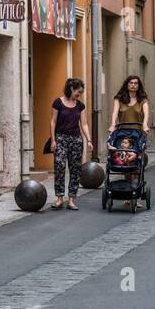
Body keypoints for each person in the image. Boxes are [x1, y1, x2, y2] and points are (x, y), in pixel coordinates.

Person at [49, 78, 92, 210]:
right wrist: (53, 140)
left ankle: (72, 199)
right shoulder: (58, 103)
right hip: (61, 138)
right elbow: (53, 122)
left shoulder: (80, 106)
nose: (80, 94)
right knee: (60, 166)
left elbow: (84, 124)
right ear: (71, 89)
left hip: (76, 139)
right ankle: (60, 198)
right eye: (78, 92)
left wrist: (89, 140)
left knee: (75, 169)